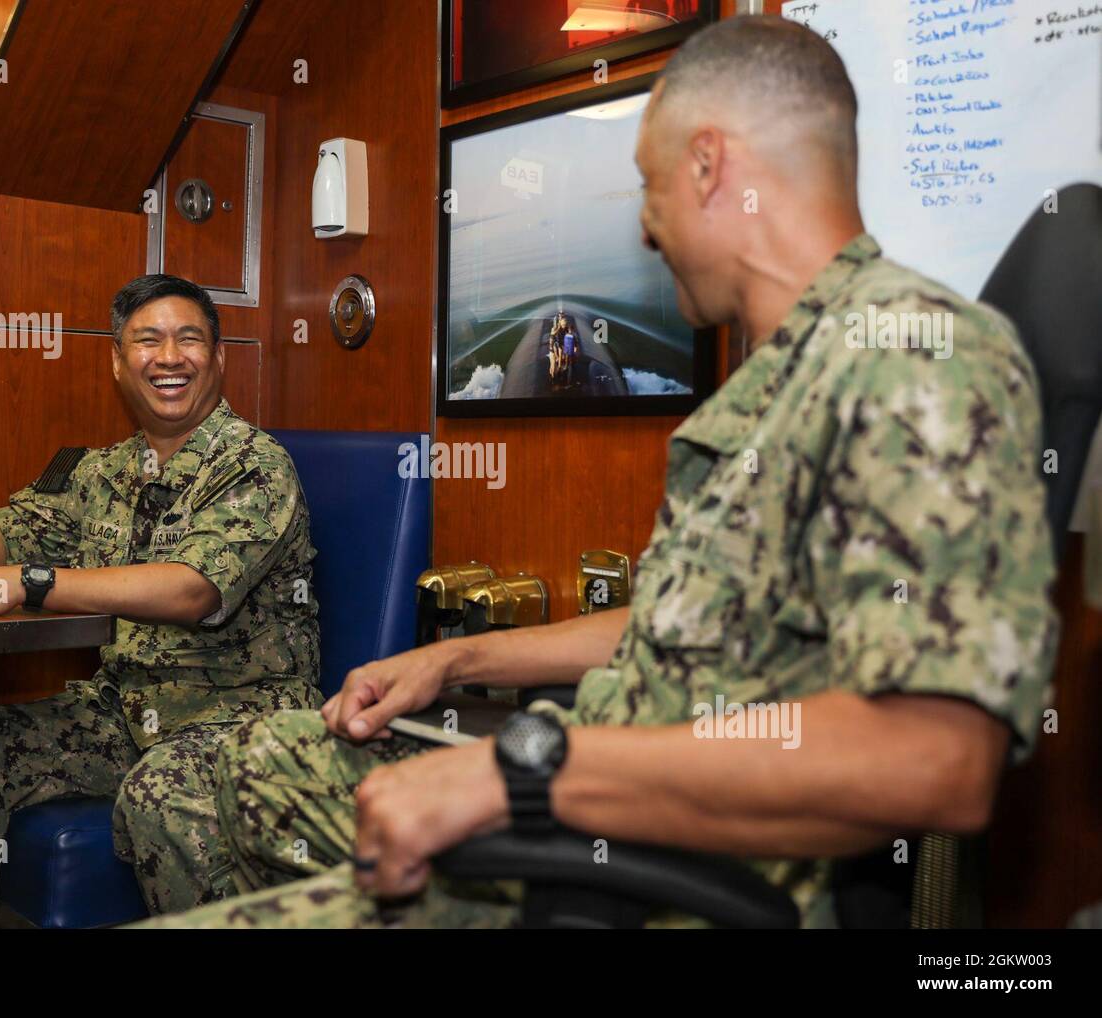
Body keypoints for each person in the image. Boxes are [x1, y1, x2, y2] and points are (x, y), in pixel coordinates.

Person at [142, 16, 1058, 929]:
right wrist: (456, 658)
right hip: (594, 819)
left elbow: (936, 758)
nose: (649, 229)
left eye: (649, 189)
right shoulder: (789, 379)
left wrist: (524, 778)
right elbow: (674, 627)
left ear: (709, 167)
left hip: (660, 876)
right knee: (245, 767)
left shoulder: (907, 356)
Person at [0, 274, 320, 927]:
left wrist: (24, 582)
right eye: (147, 341)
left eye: (188, 339)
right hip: (126, 712)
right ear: (118, 362)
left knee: (160, 795)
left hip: (243, 716)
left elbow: (190, 589)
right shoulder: (101, 471)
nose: (168, 357)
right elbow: (15, 528)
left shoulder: (253, 462)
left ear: (219, 358)